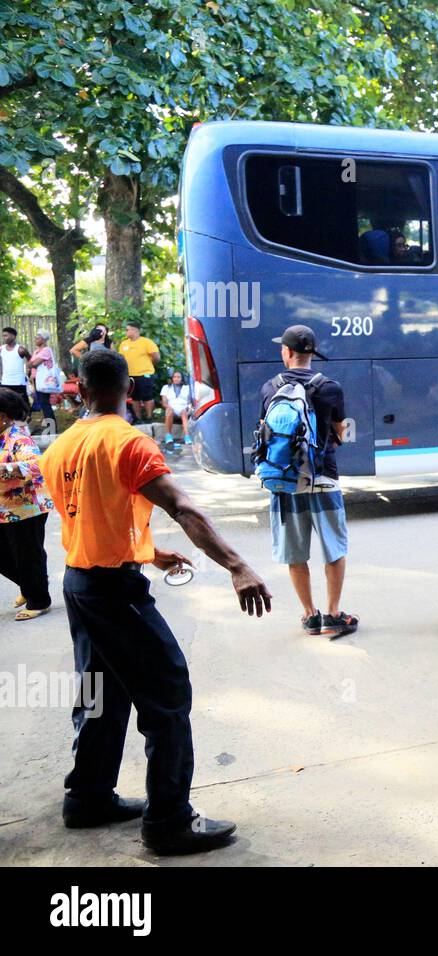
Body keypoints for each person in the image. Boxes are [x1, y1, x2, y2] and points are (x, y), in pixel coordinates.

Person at [42, 349, 271, 854]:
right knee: (166, 697)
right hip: (113, 594)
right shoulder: (129, 442)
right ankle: (169, 821)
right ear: (128, 389)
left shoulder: (59, 448)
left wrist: (144, 552)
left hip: (80, 585)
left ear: (80, 389)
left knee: (99, 693)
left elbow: (89, 519)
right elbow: (183, 506)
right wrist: (238, 567)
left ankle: (87, 798)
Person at [261, 325, 357, 639]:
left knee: (295, 552)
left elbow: (265, 433)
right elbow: (339, 431)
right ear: (311, 354)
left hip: (285, 480)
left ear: (286, 352)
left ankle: (309, 614)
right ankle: (332, 613)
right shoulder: (330, 387)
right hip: (324, 477)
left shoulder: (269, 388)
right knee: (334, 547)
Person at [0, 388, 53, 620]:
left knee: (27, 554)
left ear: (2, 416)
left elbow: (36, 465)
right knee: (7, 553)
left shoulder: (18, 438)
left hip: (28, 507)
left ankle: (39, 600)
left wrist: (4, 469)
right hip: (6, 509)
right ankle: (28, 584)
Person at [118, 321, 161, 423]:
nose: (126, 331)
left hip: (145, 374)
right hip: (131, 375)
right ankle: (138, 418)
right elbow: (121, 359)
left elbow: (156, 357)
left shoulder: (146, 342)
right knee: (135, 398)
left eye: (127, 329)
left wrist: (147, 366)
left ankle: (149, 417)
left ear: (135, 330)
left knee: (147, 397)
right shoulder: (124, 344)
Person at [26, 329, 61, 428]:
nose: (35, 339)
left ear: (44, 339)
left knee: (45, 403)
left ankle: (51, 427)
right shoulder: (37, 351)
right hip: (37, 379)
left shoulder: (46, 350)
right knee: (43, 403)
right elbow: (30, 364)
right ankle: (50, 426)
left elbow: (33, 363)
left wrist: (30, 364)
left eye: (38, 338)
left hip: (44, 380)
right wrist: (30, 364)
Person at [160, 370, 195, 448]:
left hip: (183, 408)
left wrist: (188, 408)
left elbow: (190, 402)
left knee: (183, 413)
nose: (176, 379)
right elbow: (164, 402)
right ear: (172, 378)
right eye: (174, 377)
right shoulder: (166, 387)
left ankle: (187, 437)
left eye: (178, 377)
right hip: (171, 408)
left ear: (182, 378)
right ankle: (168, 436)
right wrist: (168, 407)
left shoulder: (187, 388)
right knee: (170, 411)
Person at [0, 326, 30, 411]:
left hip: (18, 382)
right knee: (5, 404)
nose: (4, 338)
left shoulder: (21, 349)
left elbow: (30, 360)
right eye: (3, 336)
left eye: (6, 335)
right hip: (5, 381)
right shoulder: (1, 349)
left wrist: (29, 371)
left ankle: (25, 422)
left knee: (23, 404)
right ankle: (9, 422)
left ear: (13, 336)